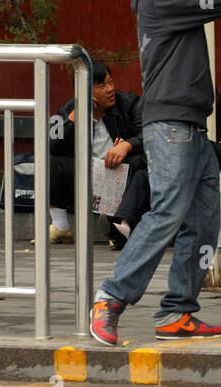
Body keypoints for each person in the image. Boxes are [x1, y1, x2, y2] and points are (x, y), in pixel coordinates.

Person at [89, 0, 221, 346]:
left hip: (192, 126)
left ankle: (178, 311)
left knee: (203, 221)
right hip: (169, 125)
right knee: (168, 212)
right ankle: (110, 299)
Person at [48, 61, 148, 250]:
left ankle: (115, 220)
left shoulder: (129, 103)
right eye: (102, 86)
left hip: (123, 174)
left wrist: (127, 145)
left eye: (110, 82)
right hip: (89, 178)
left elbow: (149, 134)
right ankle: (61, 227)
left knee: (138, 162)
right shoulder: (67, 110)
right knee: (51, 161)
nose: (110, 89)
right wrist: (73, 119)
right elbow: (52, 145)